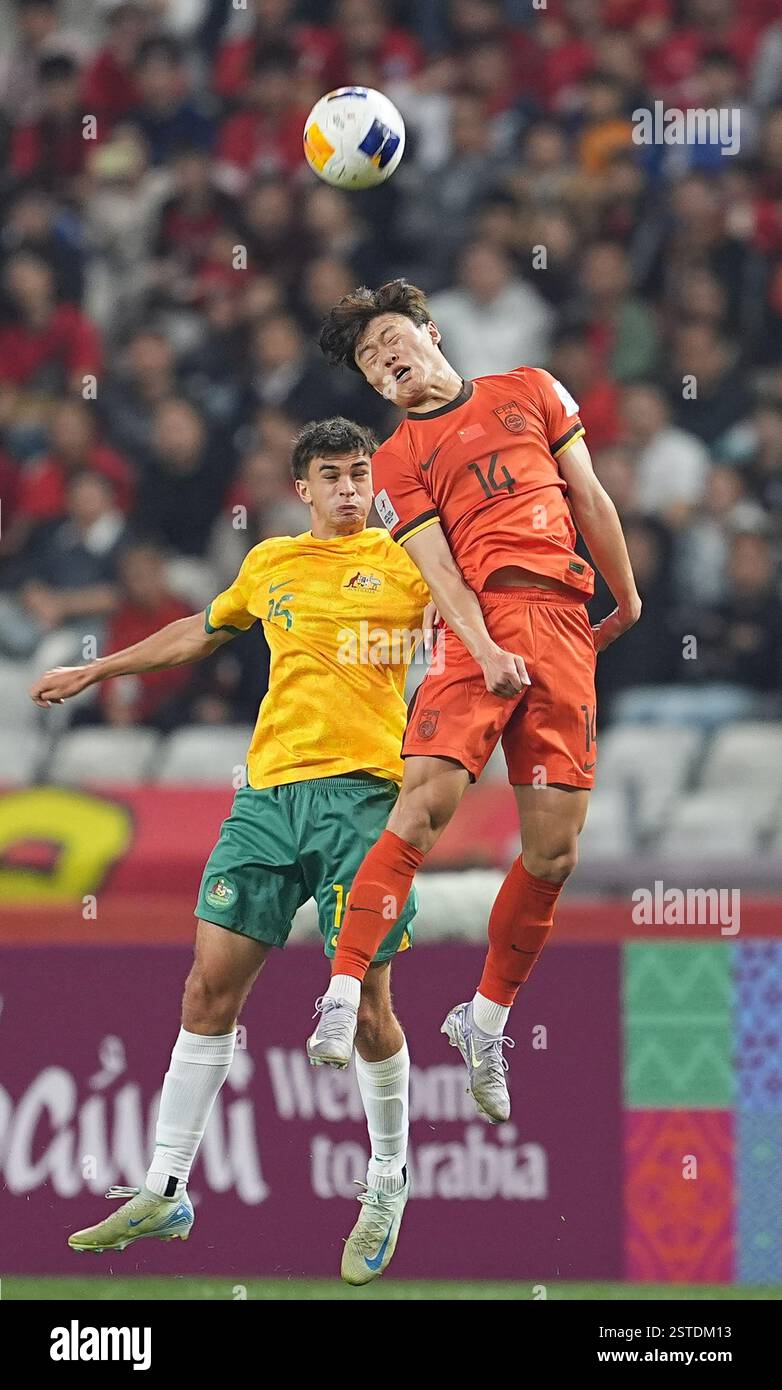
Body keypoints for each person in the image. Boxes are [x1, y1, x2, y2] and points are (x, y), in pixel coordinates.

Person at [30, 417, 432, 1285]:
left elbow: (480, 606)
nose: (351, 488)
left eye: (361, 473)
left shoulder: (409, 559)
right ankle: (167, 1186)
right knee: (207, 989)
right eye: (332, 475)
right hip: (265, 799)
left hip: (364, 797)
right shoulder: (271, 563)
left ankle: (390, 1178)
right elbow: (200, 631)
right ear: (302, 488)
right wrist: (98, 671)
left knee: (367, 1009)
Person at [309, 278, 641, 1125]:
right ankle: (343, 989)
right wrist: (486, 647)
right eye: (367, 361)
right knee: (424, 808)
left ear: (429, 331)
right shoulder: (395, 459)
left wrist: (628, 597)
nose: (383, 361)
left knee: (555, 853)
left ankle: (483, 1020)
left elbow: (590, 497)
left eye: (389, 340)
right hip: (475, 627)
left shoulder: (531, 388)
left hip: (562, 622)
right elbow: (436, 570)